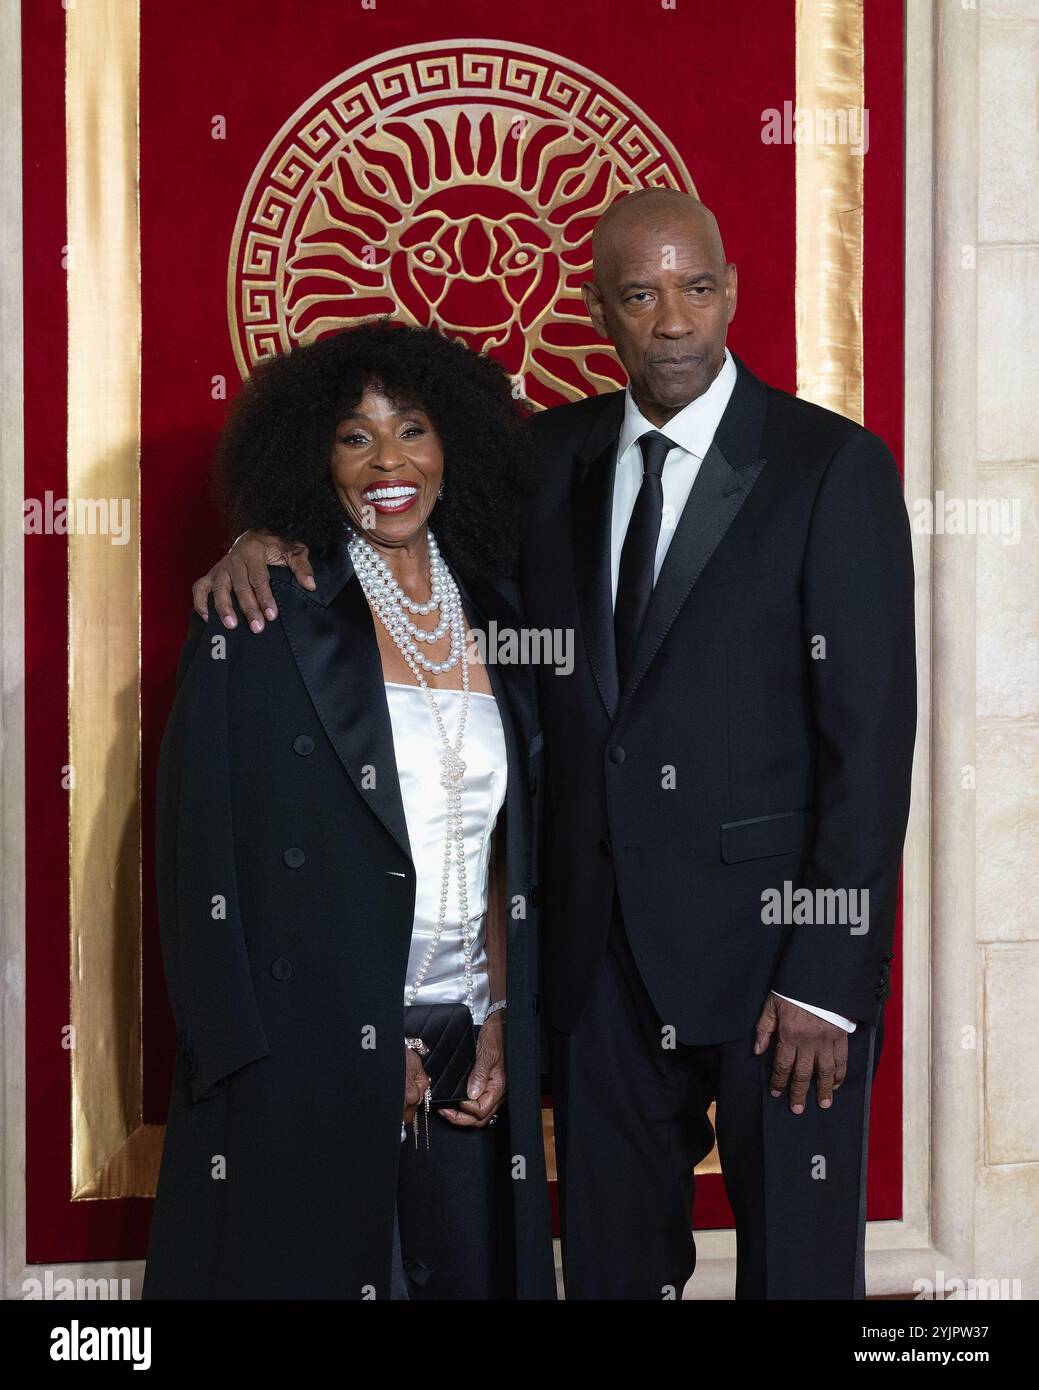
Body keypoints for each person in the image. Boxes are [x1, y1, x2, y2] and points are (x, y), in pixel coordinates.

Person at [192, 190, 917, 1300]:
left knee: (801, 1274)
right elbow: (400, 523)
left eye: (696, 287)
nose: (673, 319)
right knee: (613, 1273)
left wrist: (826, 977)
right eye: (640, 294)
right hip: (591, 967)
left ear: (731, 293)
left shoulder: (831, 467)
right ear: (599, 313)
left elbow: (870, 744)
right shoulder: (543, 461)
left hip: (773, 964)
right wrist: (261, 531)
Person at [144, 322, 555, 1300]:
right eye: (352, 436)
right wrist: (322, 1056)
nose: (387, 462)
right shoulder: (258, 614)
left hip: (468, 1057)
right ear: (310, 460)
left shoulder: (503, 616)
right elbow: (197, 863)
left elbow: (509, 845)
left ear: (454, 442)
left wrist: (497, 1018)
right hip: (311, 1057)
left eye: (411, 428)